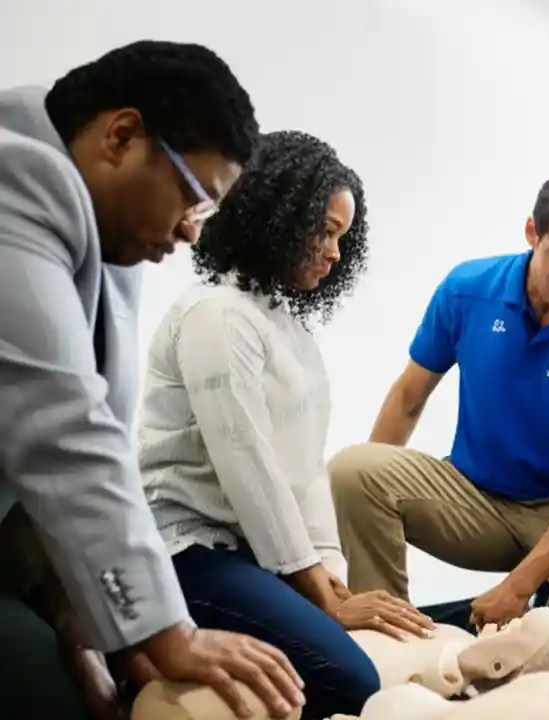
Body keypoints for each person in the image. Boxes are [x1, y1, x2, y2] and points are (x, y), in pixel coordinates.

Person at [0, 41, 304, 719]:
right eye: (193, 198)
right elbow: (60, 434)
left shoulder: (104, 233)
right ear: (122, 136)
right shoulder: (14, 178)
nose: (193, 234)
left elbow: (91, 433)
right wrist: (167, 634)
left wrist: (89, 624)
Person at [135, 130, 433, 719]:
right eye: (324, 229)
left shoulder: (289, 330)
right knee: (346, 677)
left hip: (248, 552)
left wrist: (333, 577)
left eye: (343, 237)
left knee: (351, 657)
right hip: (186, 551)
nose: (334, 252)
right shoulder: (216, 315)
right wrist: (319, 596)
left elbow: (303, 473)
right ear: (276, 215)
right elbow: (252, 472)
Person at [327, 168, 549, 675]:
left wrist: (518, 587)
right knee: (355, 469)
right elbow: (407, 398)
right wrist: (364, 501)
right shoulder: (468, 290)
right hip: (476, 501)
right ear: (533, 233)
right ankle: (391, 642)